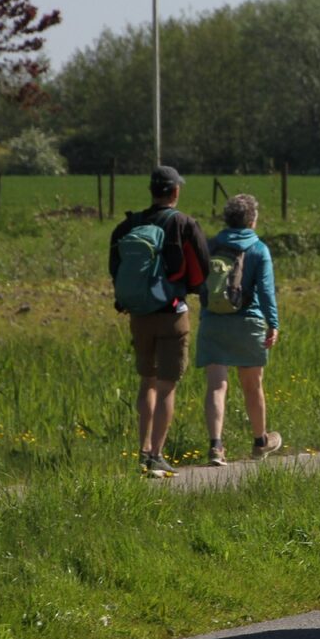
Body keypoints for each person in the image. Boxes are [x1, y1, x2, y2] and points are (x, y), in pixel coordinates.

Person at [109, 166, 211, 477]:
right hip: (172, 313)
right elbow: (201, 269)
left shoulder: (128, 225)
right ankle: (156, 454)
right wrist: (186, 290)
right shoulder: (182, 223)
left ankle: (142, 452)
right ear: (176, 191)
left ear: (151, 191)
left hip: (139, 314)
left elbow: (115, 269)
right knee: (167, 386)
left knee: (147, 383)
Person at [196, 193, 282, 465]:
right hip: (248, 321)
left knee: (216, 385)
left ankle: (216, 447)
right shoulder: (258, 248)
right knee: (252, 385)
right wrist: (273, 322)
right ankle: (260, 442)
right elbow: (266, 291)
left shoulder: (211, 245)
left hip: (213, 320)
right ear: (252, 219)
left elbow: (201, 284)